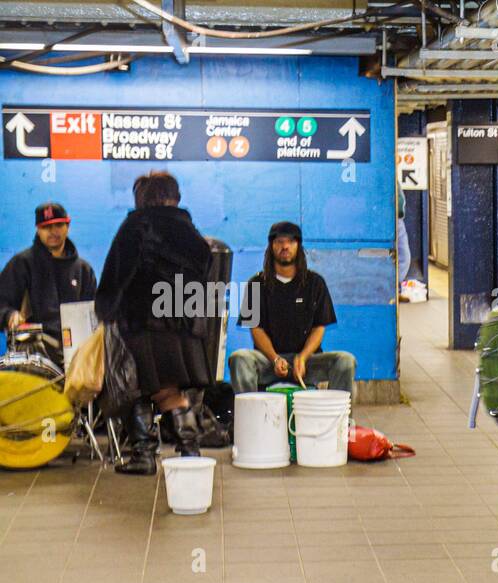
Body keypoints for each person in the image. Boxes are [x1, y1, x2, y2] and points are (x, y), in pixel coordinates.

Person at [95, 171, 213, 473]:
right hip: (182, 326)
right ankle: (190, 451)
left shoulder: (137, 225)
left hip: (142, 322)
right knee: (170, 390)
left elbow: (116, 273)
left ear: (143, 197)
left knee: (135, 386)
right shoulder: (191, 232)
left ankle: (144, 456)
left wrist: (107, 311)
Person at [228, 222, 356, 398]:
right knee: (239, 358)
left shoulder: (315, 283)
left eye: (290, 241)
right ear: (271, 246)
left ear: (298, 246)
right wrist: (275, 359)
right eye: (279, 241)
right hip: (268, 361)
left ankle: (340, 420)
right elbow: (255, 329)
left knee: (345, 361)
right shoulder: (255, 284)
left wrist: (302, 357)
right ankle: (249, 417)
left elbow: (319, 328)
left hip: (306, 362)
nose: (285, 246)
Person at [0, 202, 97, 361]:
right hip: (33, 355)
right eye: (46, 227)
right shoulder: (21, 264)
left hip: (79, 358)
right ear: (38, 229)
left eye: (58, 225)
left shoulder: (84, 270)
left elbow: (94, 315)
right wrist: (10, 316)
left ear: (68, 225)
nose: (53, 231)